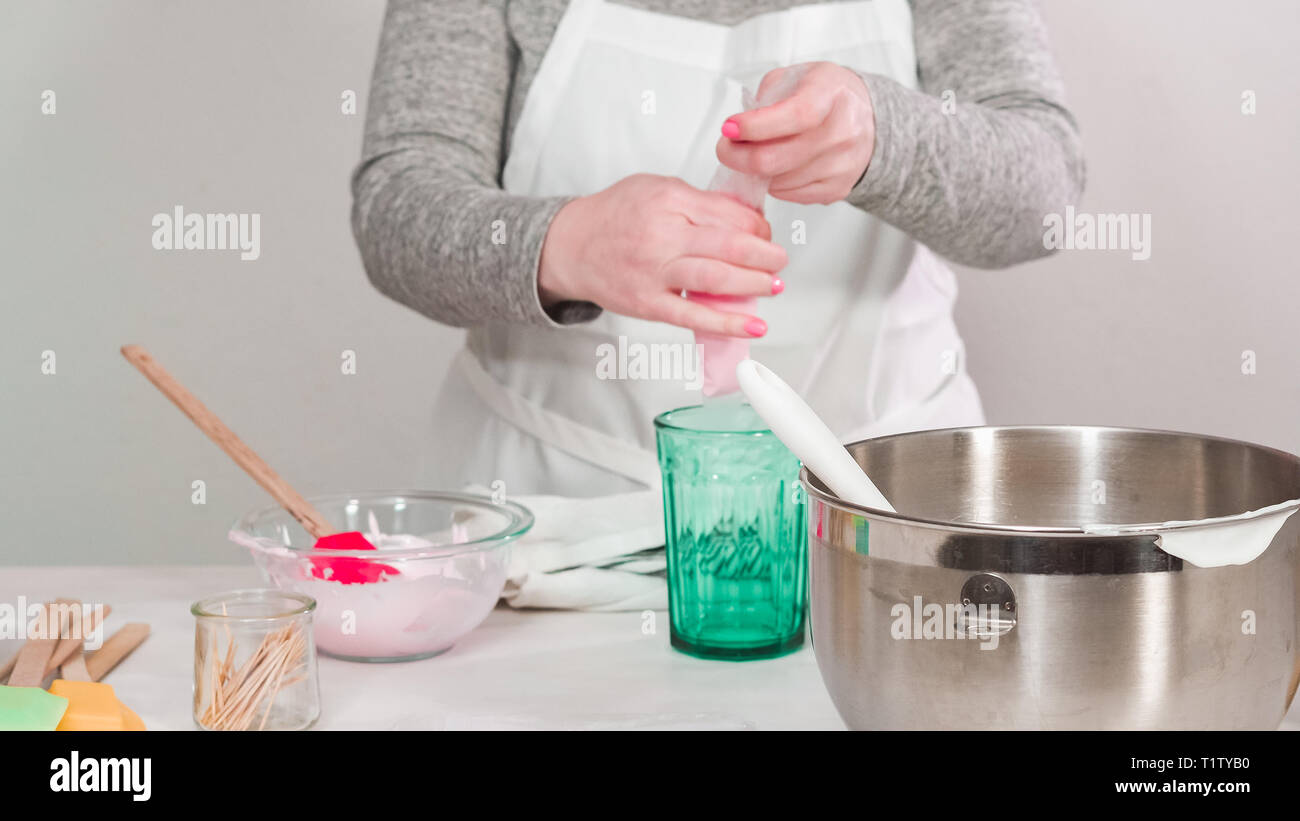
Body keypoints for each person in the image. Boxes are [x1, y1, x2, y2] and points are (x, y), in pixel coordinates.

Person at [351, 0, 1085, 501]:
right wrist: (564, 244)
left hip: (876, 519)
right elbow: (396, 205)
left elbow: (1044, 194)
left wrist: (885, 141)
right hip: (550, 515)